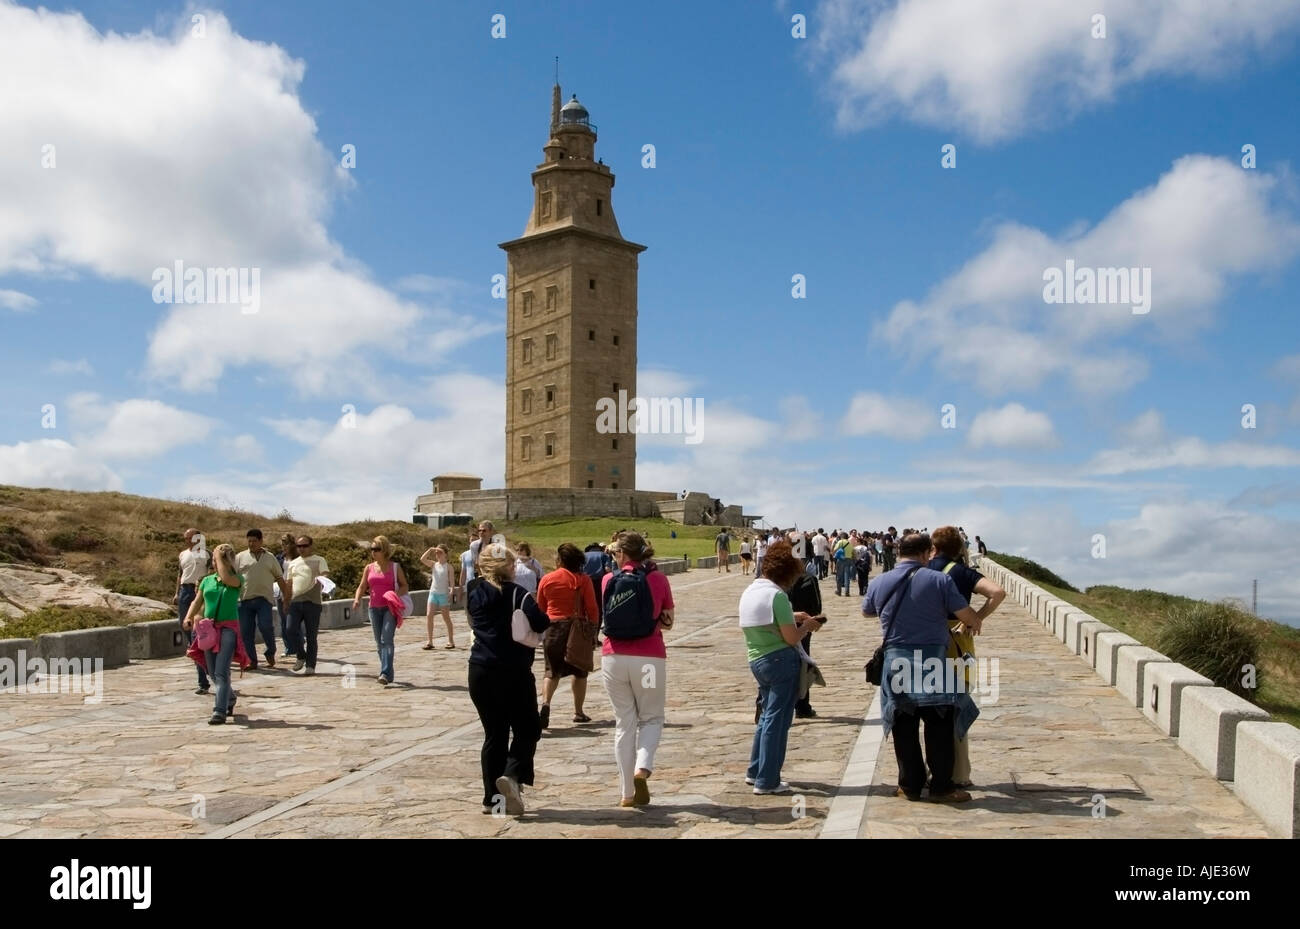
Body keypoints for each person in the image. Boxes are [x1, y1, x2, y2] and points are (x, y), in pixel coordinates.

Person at [863, 532, 982, 803]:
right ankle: (941, 787)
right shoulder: (940, 580)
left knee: (903, 724)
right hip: (931, 660)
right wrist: (974, 619)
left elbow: (867, 610)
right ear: (927, 552)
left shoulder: (880, 581)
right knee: (938, 724)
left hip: (896, 660)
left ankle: (909, 785)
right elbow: (967, 617)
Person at [466, 542, 549, 816]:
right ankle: (511, 776)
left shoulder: (474, 592)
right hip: (513, 672)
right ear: (509, 567)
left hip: (480, 671)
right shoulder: (520, 595)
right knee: (528, 728)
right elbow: (540, 622)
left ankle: (493, 801)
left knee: (494, 735)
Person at [740, 540, 822, 794]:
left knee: (766, 717)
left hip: (757, 659)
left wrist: (792, 615)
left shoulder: (752, 590)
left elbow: (766, 621)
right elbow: (790, 638)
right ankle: (768, 780)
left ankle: (755, 771)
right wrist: (807, 626)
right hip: (780, 661)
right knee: (778, 721)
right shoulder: (778, 596)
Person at [600, 532, 675, 807]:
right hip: (649, 658)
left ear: (620, 554)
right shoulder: (658, 579)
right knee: (652, 718)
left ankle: (626, 793)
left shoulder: (609, 580)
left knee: (624, 723)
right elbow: (668, 623)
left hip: (613, 657)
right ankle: (642, 769)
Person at [927, 526, 1005, 788]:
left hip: (926, 643)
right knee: (957, 704)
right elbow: (997, 592)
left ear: (933, 548)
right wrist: (977, 619)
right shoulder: (961, 572)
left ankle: (933, 770)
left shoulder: (922, 571)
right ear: (960, 549)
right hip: (958, 642)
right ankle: (959, 772)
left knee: (929, 707)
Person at [535, 543, 601, 730]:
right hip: (576, 628)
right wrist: (593, 631)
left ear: (561, 560)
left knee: (551, 671)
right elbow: (592, 608)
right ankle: (578, 712)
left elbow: (540, 606)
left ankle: (546, 704)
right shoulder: (583, 580)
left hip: (553, 627)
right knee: (580, 671)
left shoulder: (547, 579)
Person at [183, 543, 250, 724]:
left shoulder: (237, 579)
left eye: (216, 560)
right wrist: (188, 617)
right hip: (208, 629)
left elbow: (227, 579)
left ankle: (219, 711)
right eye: (213, 560)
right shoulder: (207, 581)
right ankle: (230, 698)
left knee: (221, 672)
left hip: (228, 630)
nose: (213, 563)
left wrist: (219, 556)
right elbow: (197, 602)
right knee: (211, 672)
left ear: (226, 561)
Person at [351, 536, 408, 686]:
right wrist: (357, 599)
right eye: (372, 549)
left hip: (390, 607)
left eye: (377, 549)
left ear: (384, 550)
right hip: (374, 608)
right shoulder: (369, 568)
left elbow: (404, 586)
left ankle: (384, 672)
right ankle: (388, 671)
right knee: (378, 643)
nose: (373, 552)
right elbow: (362, 586)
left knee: (386, 640)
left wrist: (395, 595)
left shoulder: (394, 567)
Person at [236, 529, 291, 670]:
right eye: (249, 541)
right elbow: (233, 577)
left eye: (254, 541)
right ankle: (252, 661)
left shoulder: (270, 557)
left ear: (261, 541)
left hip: (264, 600)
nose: (251, 543)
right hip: (244, 600)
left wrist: (286, 598)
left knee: (266, 626)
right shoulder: (240, 557)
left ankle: (270, 651)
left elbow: (280, 578)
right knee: (246, 632)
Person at [285, 535, 329, 675]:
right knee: (290, 629)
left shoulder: (319, 560)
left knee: (311, 636)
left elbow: (325, 574)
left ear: (311, 546)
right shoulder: (293, 563)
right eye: (299, 546)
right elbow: (289, 583)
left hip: (313, 602)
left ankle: (311, 665)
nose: (302, 549)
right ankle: (301, 654)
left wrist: (322, 581)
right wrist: (286, 600)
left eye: (305, 546)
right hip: (295, 601)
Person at [174, 528, 211, 695]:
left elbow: (212, 572)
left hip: (201, 591)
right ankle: (202, 670)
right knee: (186, 628)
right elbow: (180, 574)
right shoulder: (183, 554)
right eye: (185, 538)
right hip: (185, 591)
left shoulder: (207, 554)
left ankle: (204, 679)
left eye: (190, 538)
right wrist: (176, 593)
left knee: (200, 632)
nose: (187, 541)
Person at [419, 544, 456, 649]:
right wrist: (430, 549)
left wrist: (452, 591)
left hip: (443, 594)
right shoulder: (434, 564)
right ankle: (430, 641)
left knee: (446, 617)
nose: (438, 554)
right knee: (429, 615)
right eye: (436, 553)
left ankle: (451, 641)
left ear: (445, 554)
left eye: (440, 552)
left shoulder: (449, 567)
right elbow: (422, 559)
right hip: (433, 593)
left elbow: (452, 581)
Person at [276, 534, 300, 658]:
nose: (284, 546)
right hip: (280, 591)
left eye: (286, 543)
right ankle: (289, 647)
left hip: (294, 591)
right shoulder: (279, 558)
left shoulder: (298, 558)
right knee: (283, 621)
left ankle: (298, 644)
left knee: (293, 621)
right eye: (282, 543)